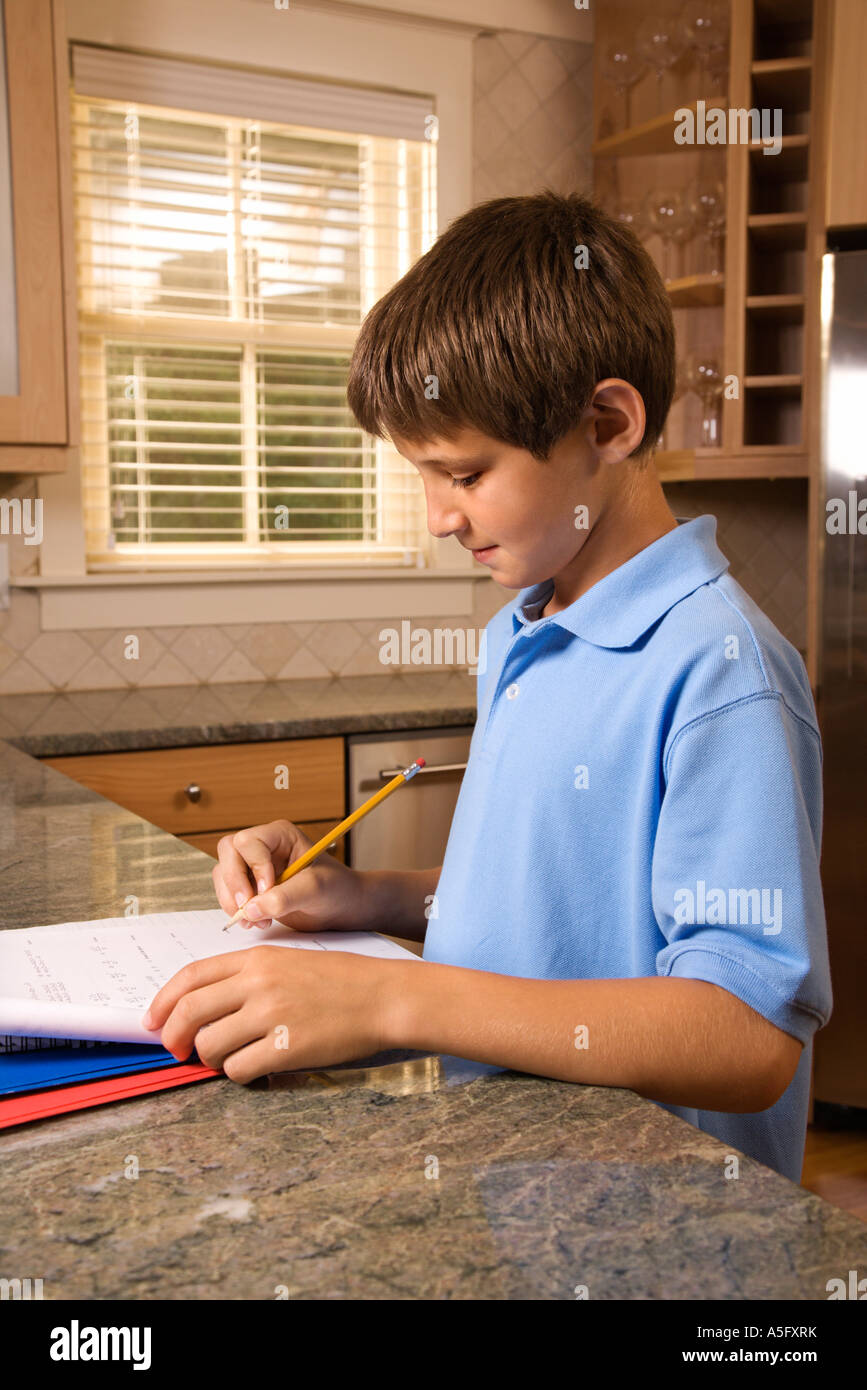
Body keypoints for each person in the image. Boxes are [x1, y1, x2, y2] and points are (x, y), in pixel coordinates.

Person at [143, 191, 831, 1184]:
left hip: (656, 1230)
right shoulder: (527, 629)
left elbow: (745, 1031)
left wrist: (389, 1002)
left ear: (607, 422)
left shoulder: (722, 671)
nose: (437, 517)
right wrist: (361, 897)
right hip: (521, 1186)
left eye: (462, 473)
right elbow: (560, 899)